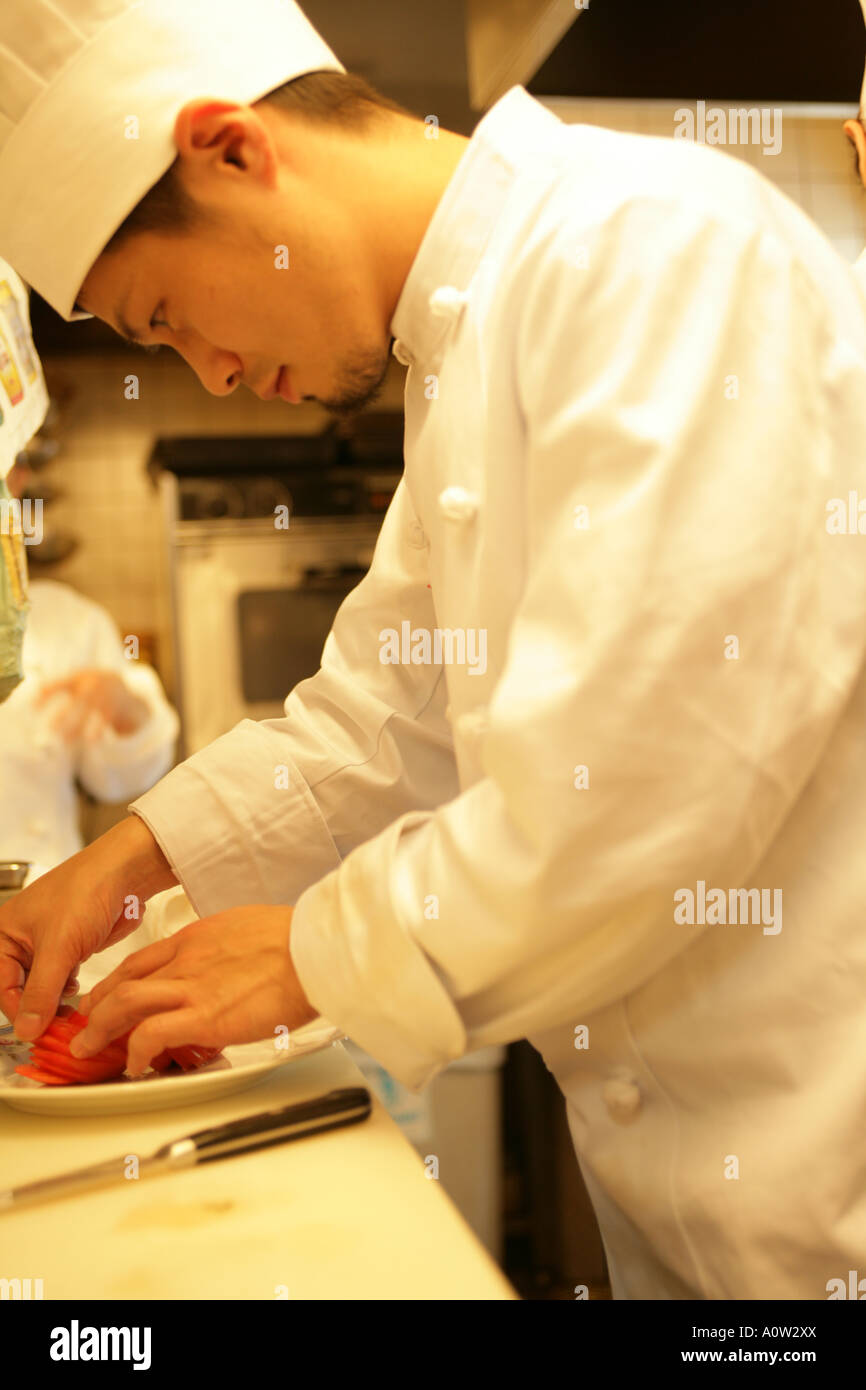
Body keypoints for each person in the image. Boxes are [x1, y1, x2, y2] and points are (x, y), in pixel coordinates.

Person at [1, 0, 866, 1300]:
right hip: (701, 1228)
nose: (216, 374)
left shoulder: (643, 245)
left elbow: (637, 777)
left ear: (232, 148)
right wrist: (127, 864)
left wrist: (307, 952)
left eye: (169, 314)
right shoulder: (465, 346)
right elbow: (384, 722)